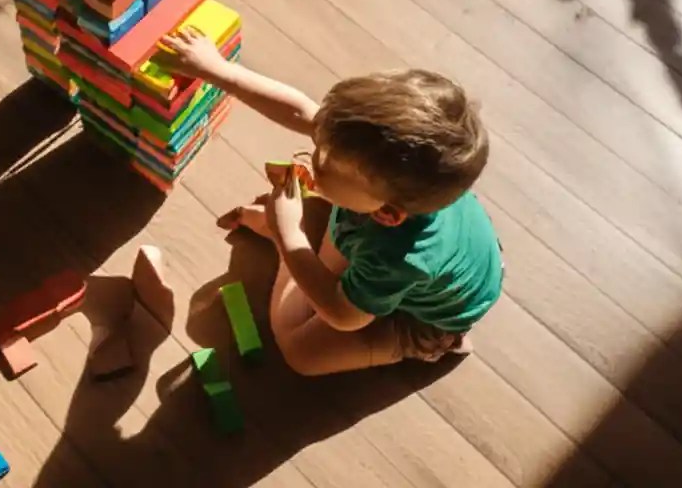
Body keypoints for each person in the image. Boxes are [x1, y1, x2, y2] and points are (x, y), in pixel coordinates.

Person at [161, 27, 503, 376]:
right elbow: (300, 111)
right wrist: (218, 70)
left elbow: (344, 316)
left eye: (325, 166)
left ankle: (431, 345)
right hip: (410, 245)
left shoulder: (397, 257)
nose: (313, 158)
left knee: (299, 351)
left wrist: (287, 235)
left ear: (387, 213)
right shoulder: (377, 164)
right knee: (321, 251)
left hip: (425, 319)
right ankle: (299, 238)